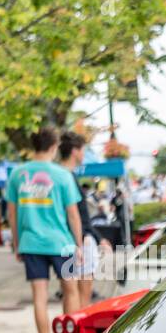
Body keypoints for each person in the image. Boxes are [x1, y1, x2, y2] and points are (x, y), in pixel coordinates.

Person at [5, 126, 83, 333]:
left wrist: (17, 244)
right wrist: (79, 245)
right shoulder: (61, 175)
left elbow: (12, 213)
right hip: (61, 242)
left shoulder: (18, 174)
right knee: (70, 291)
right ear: (54, 146)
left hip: (31, 242)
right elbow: (73, 214)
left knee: (39, 298)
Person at [57, 131, 112, 309]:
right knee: (82, 296)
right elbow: (79, 215)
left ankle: (70, 332)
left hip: (65, 238)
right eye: (82, 150)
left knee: (69, 293)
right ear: (75, 151)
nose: (84, 155)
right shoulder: (68, 177)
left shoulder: (58, 175)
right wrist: (91, 238)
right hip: (79, 238)